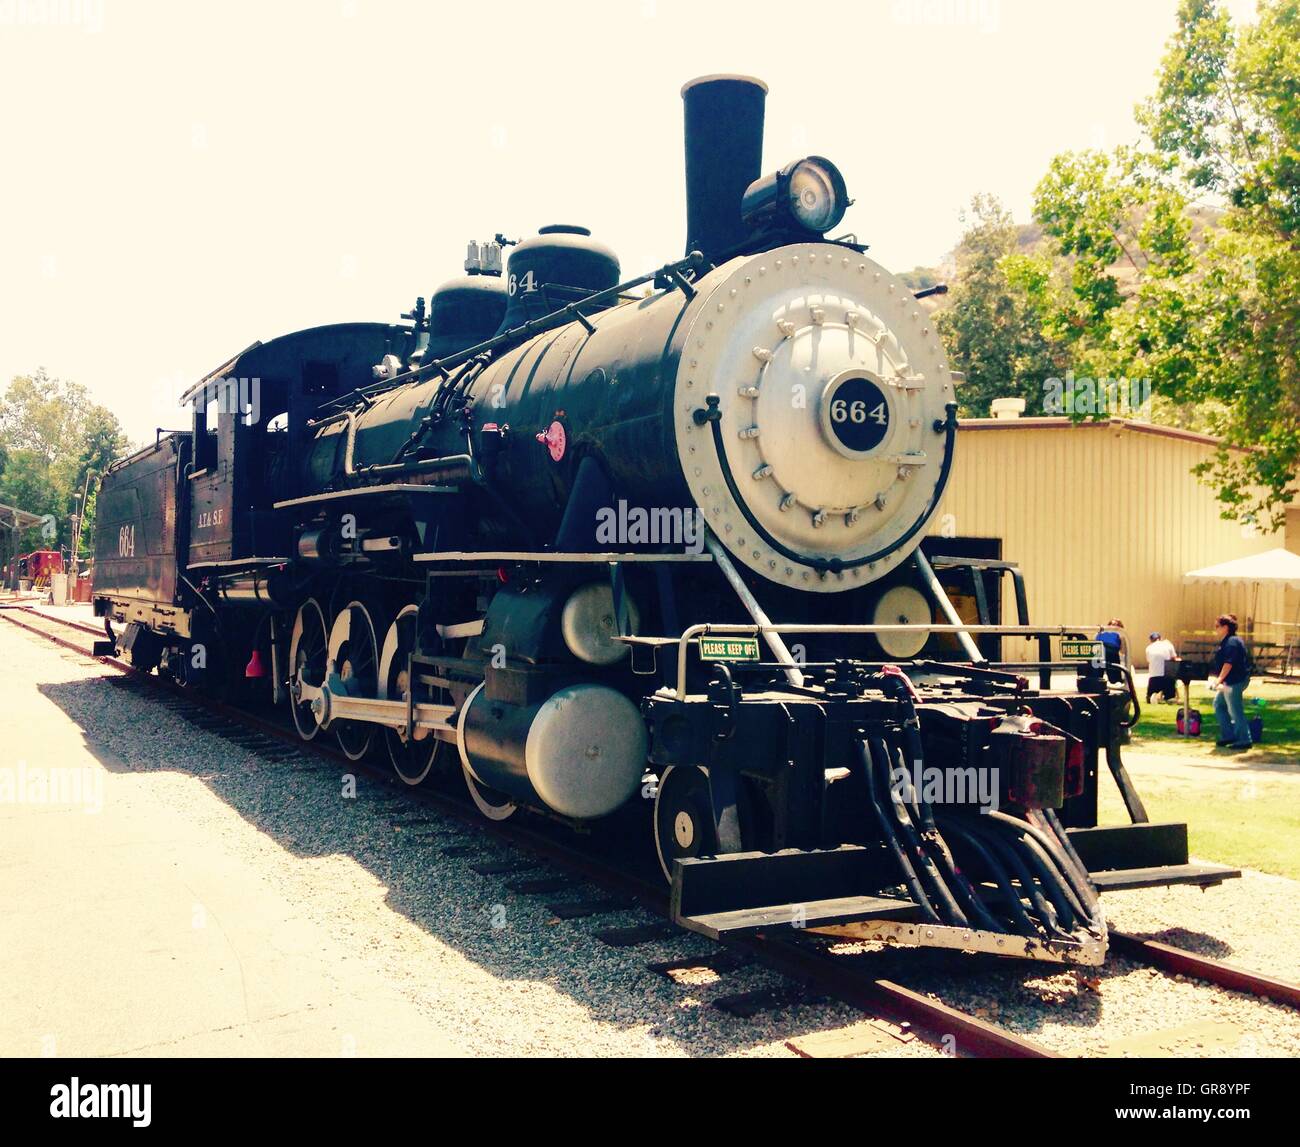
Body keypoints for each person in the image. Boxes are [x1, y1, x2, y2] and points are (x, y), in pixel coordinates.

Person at [1210, 613, 1253, 749]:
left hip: (1235, 681)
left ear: (1226, 627)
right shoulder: (1227, 641)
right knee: (1219, 704)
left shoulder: (1232, 642)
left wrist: (1219, 680)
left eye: (1218, 626)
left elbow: (1229, 663)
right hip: (1229, 682)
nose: (1216, 629)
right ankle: (1228, 735)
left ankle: (1244, 739)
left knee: (1235, 709)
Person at [1145, 631, 1179, 702]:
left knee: (1149, 698)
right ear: (1160, 638)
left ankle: (1153, 695)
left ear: (1151, 640)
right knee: (1169, 696)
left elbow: (1148, 661)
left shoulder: (1148, 648)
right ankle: (1169, 696)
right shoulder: (1168, 645)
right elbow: (1174, 658)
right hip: (1167, 676)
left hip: (1154, 677)